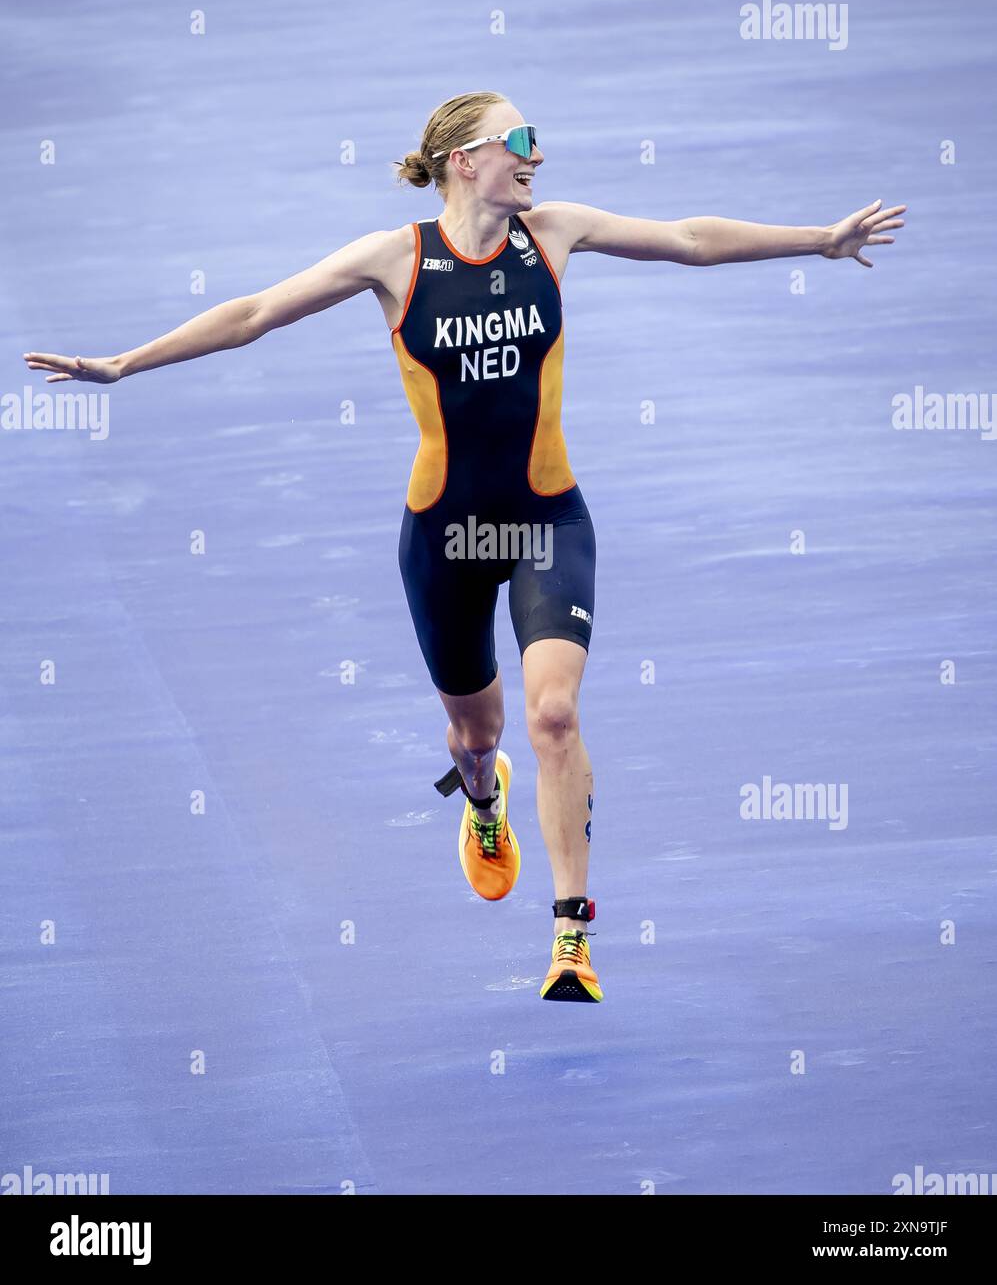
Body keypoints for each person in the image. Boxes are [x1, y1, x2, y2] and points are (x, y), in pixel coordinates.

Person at [23, 90, 906, 1004]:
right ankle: (483, 799)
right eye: (518, 140)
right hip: (442, 536)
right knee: (475, 732)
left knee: (553, 713)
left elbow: (685, 237)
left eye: (535, 139)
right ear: (463, 159)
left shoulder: (554, 235)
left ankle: (570, 938)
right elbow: (252, 314)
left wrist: (818, 240)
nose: (535, 154)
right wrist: (125, 363)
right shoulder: (394, 261)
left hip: (544, 520)